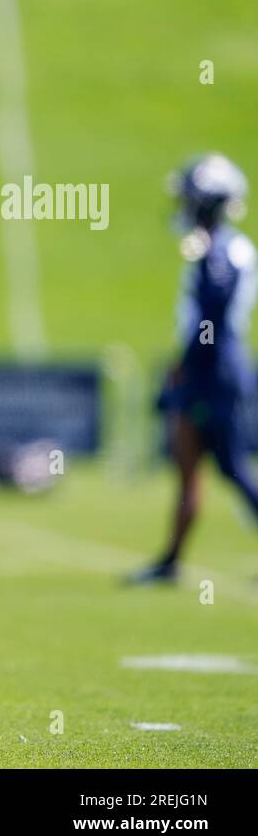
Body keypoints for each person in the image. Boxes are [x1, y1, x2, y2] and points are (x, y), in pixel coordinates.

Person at [133, 153, 253, 584]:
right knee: (188, 467)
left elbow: (212, 319)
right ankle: (171, 561)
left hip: (215, 370)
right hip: (204, 367)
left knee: (232, 466)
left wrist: (190, 365)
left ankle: (170, 560)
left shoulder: (225, 251)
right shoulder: (213, 248)